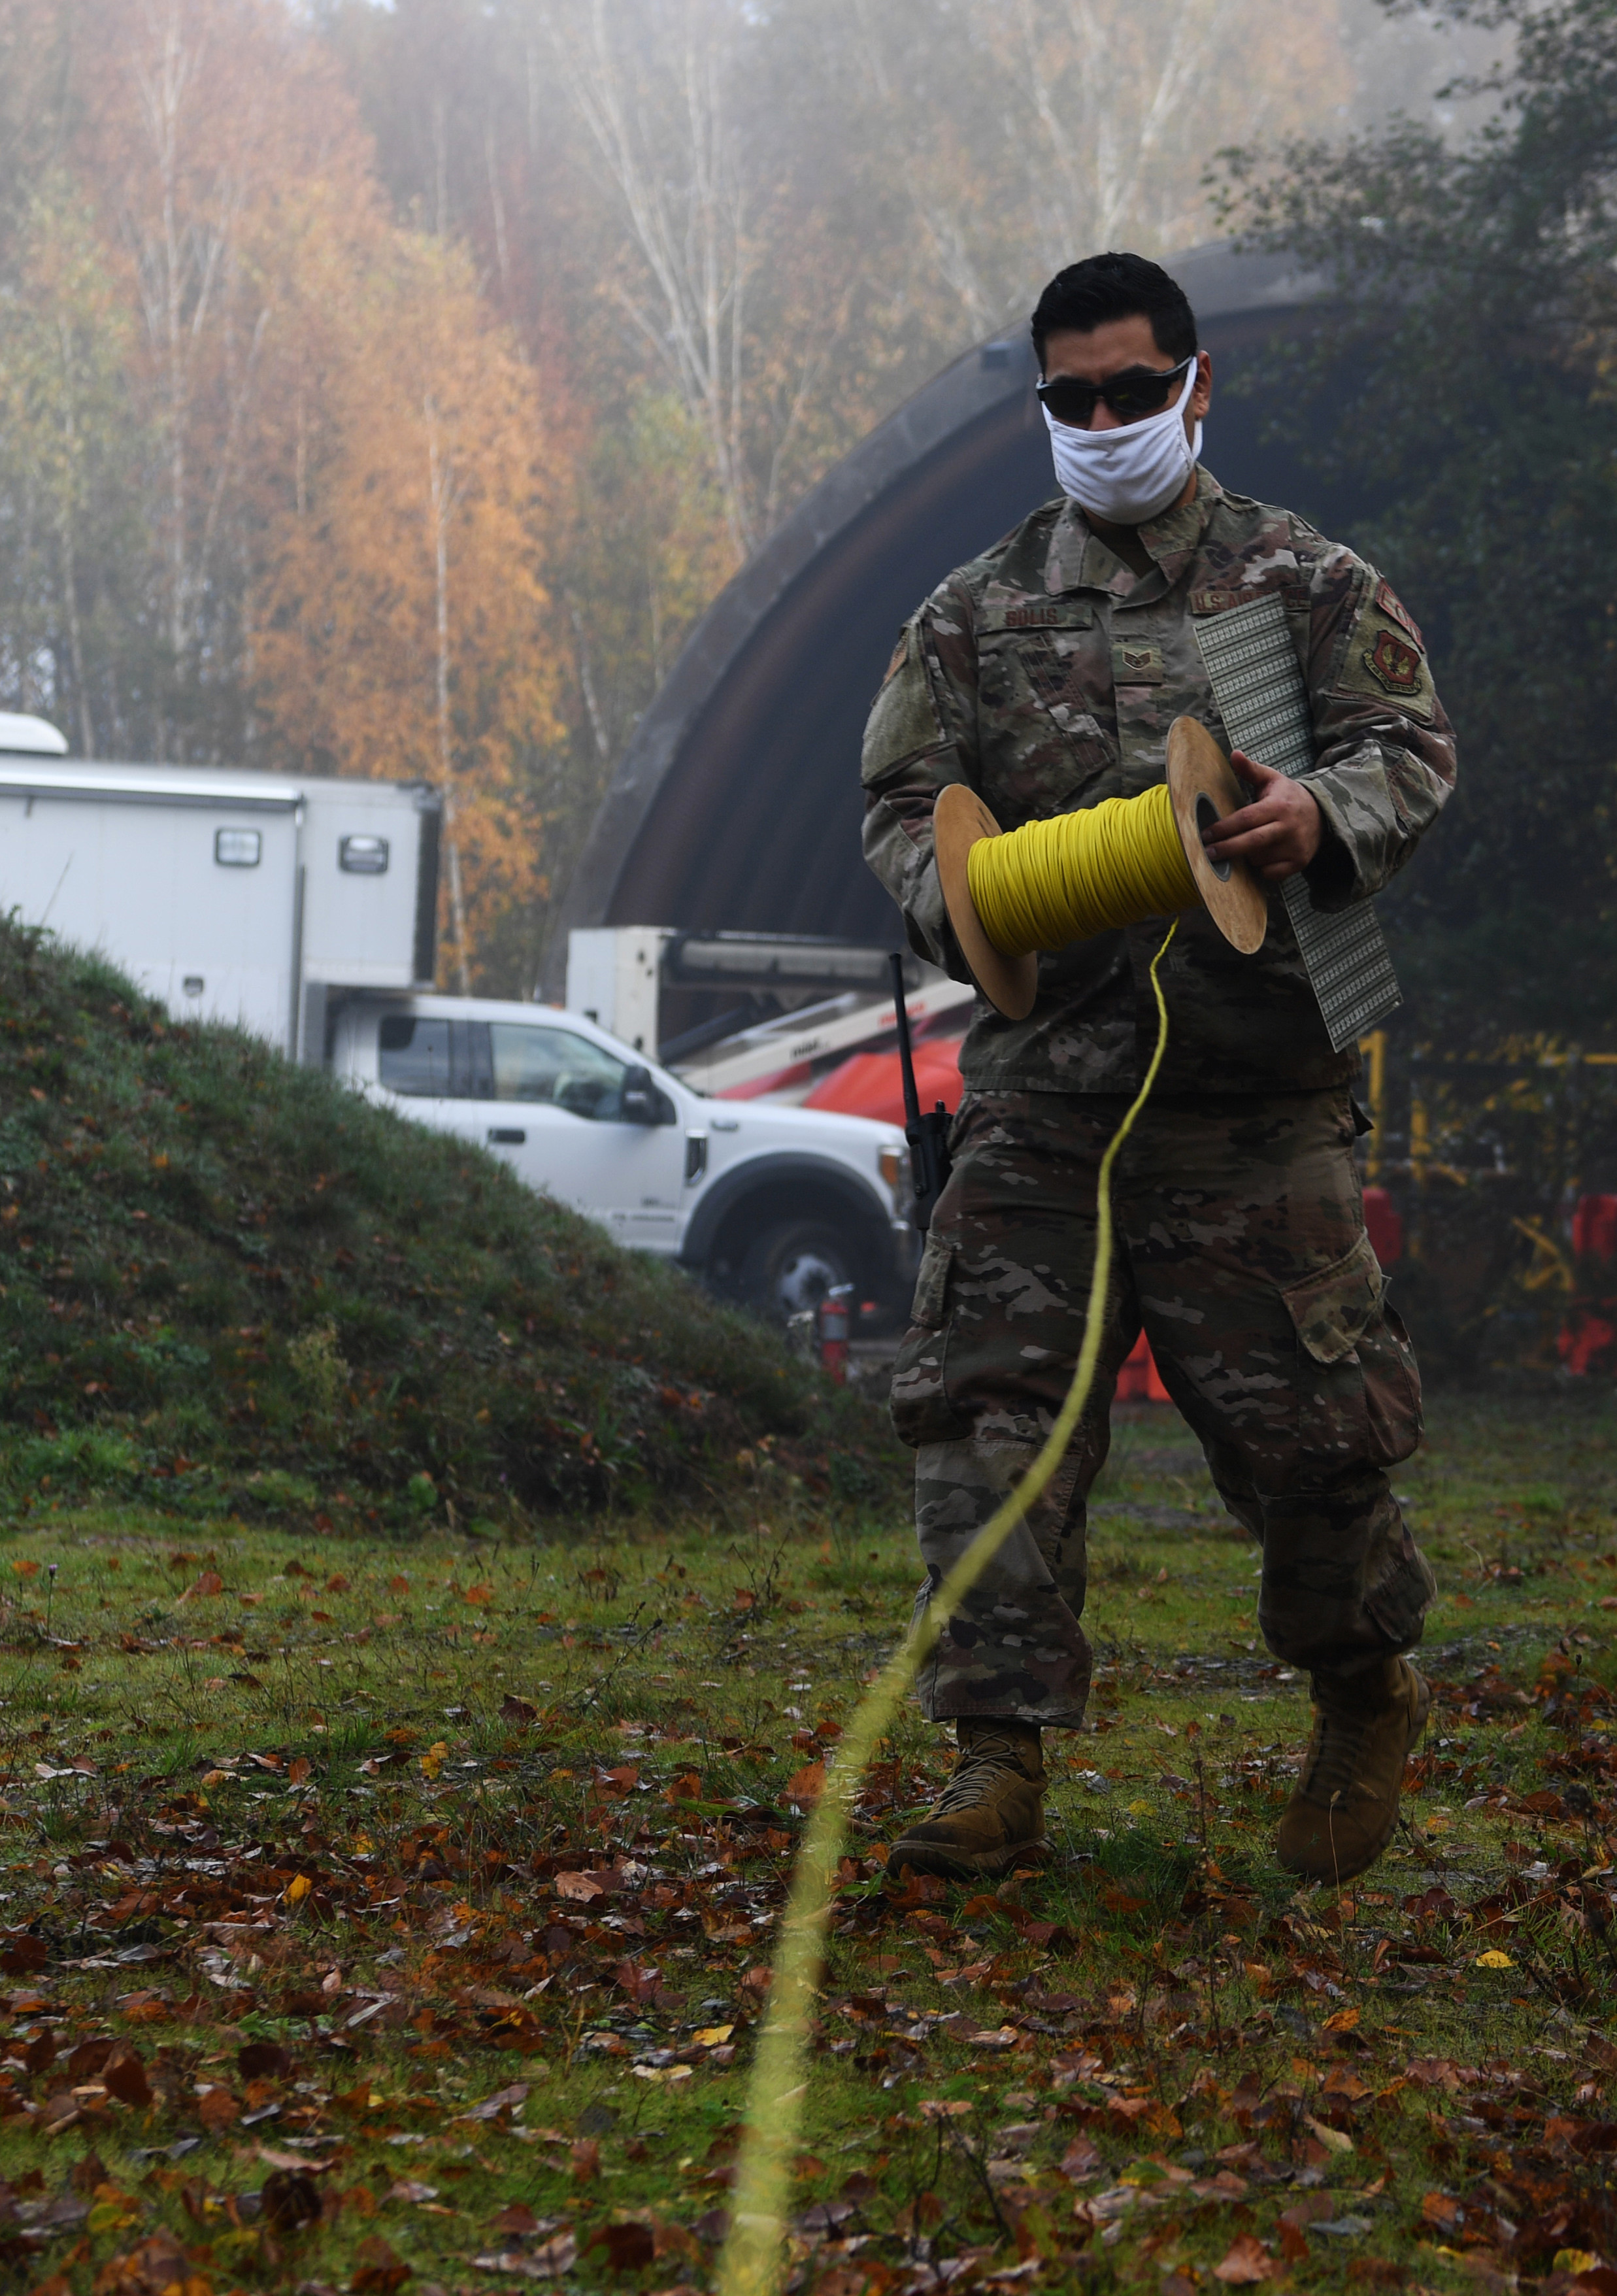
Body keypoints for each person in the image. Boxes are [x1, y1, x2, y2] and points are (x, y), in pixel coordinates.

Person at [861, 250, 1455, 1888]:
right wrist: (961, 899)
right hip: (1047, 1091)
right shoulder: (969, 612)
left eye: (1133, 388)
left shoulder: (1304, 584)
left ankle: (1362, 1687)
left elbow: (1409, 749)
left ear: (1197, 386)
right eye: (1072, 397)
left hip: (1257, 1101)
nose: (1104, 417)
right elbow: (904, 806)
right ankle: (997, 1758)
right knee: (984, 1413)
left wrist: (1322, 811)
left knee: (1313, 1438)